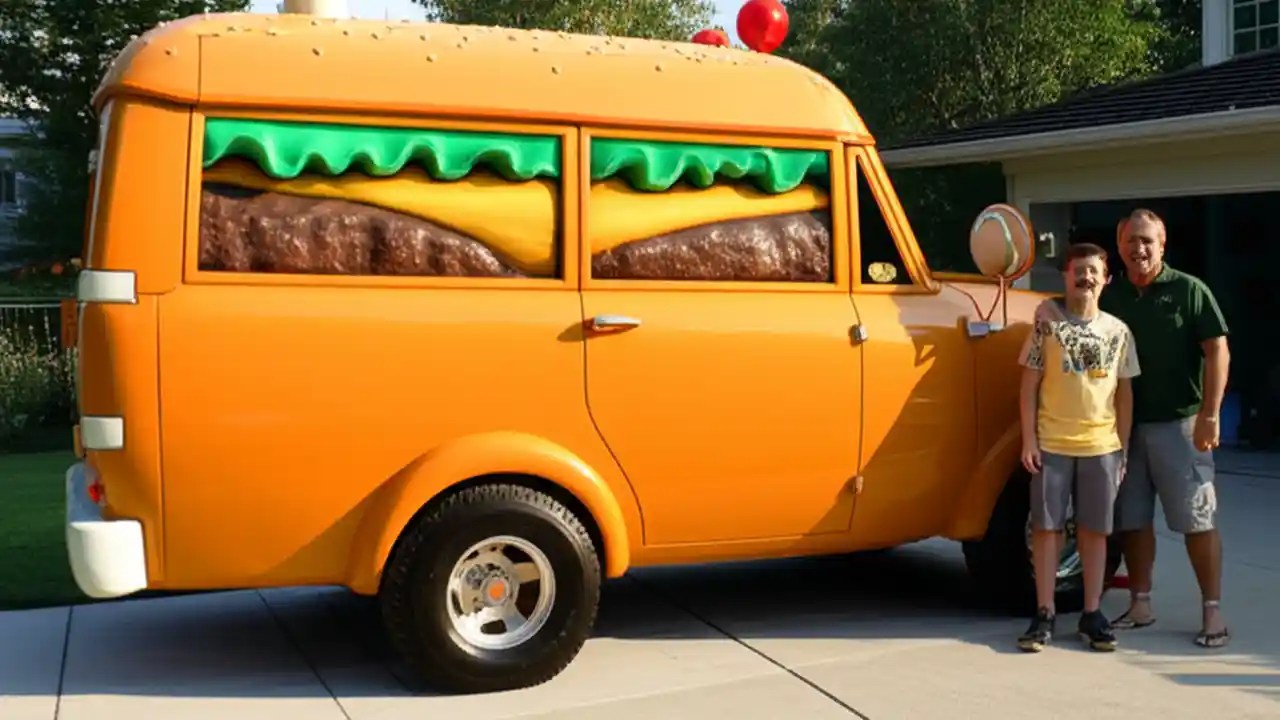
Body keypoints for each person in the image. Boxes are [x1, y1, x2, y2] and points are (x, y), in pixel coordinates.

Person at [1102, 208, 1232, 648]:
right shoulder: (1111, 295)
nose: (1138, 249)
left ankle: (1212, 612)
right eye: (1130, 241)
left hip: (1182, 424)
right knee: (1133, 520)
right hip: (1124, 428)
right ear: (1118, 247)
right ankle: (1141, 603)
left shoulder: (1190, 291)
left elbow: (1217, 350)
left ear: (1162, 245)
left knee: (1197, 519)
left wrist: (1211, 413)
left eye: (1146, 241)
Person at [1016, 242, 1139, 653]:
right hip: (1051, 443)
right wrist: (1029, 440)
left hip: (1101, 445)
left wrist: (1121, 449)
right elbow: (1029, 383)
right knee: (1046, 529)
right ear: (1066, 276)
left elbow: (1124, 394)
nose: (1086, 278)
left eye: (1093, 271)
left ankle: (1091, 612)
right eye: (1078, 271)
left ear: (1106, 279)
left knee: (1095, 530)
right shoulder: (1046, 324)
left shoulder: (1119, 331)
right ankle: (1045, 611)